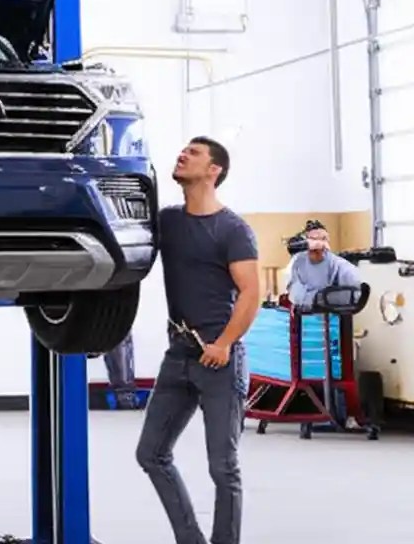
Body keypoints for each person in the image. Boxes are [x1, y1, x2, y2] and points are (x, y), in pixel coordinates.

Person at [136, 136, 260, 544]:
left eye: (194, 152)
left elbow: (250, 293)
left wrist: (224, 343)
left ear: (214, 170)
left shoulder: (233, 229)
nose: (183, 154)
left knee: (223, 467)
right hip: (179, 354)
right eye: (183, 149)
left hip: (220, 358)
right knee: (150, 454)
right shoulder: (168, 221)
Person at [286, 223, 362, 313]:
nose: (318, 245)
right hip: (304, 317)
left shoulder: (338, 265)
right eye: (314, 239)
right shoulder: (298, 262)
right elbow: (296, 294)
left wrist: (323, 297)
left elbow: (354, 293)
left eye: (323, 239)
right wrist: (315, 298)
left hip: (330, 317)